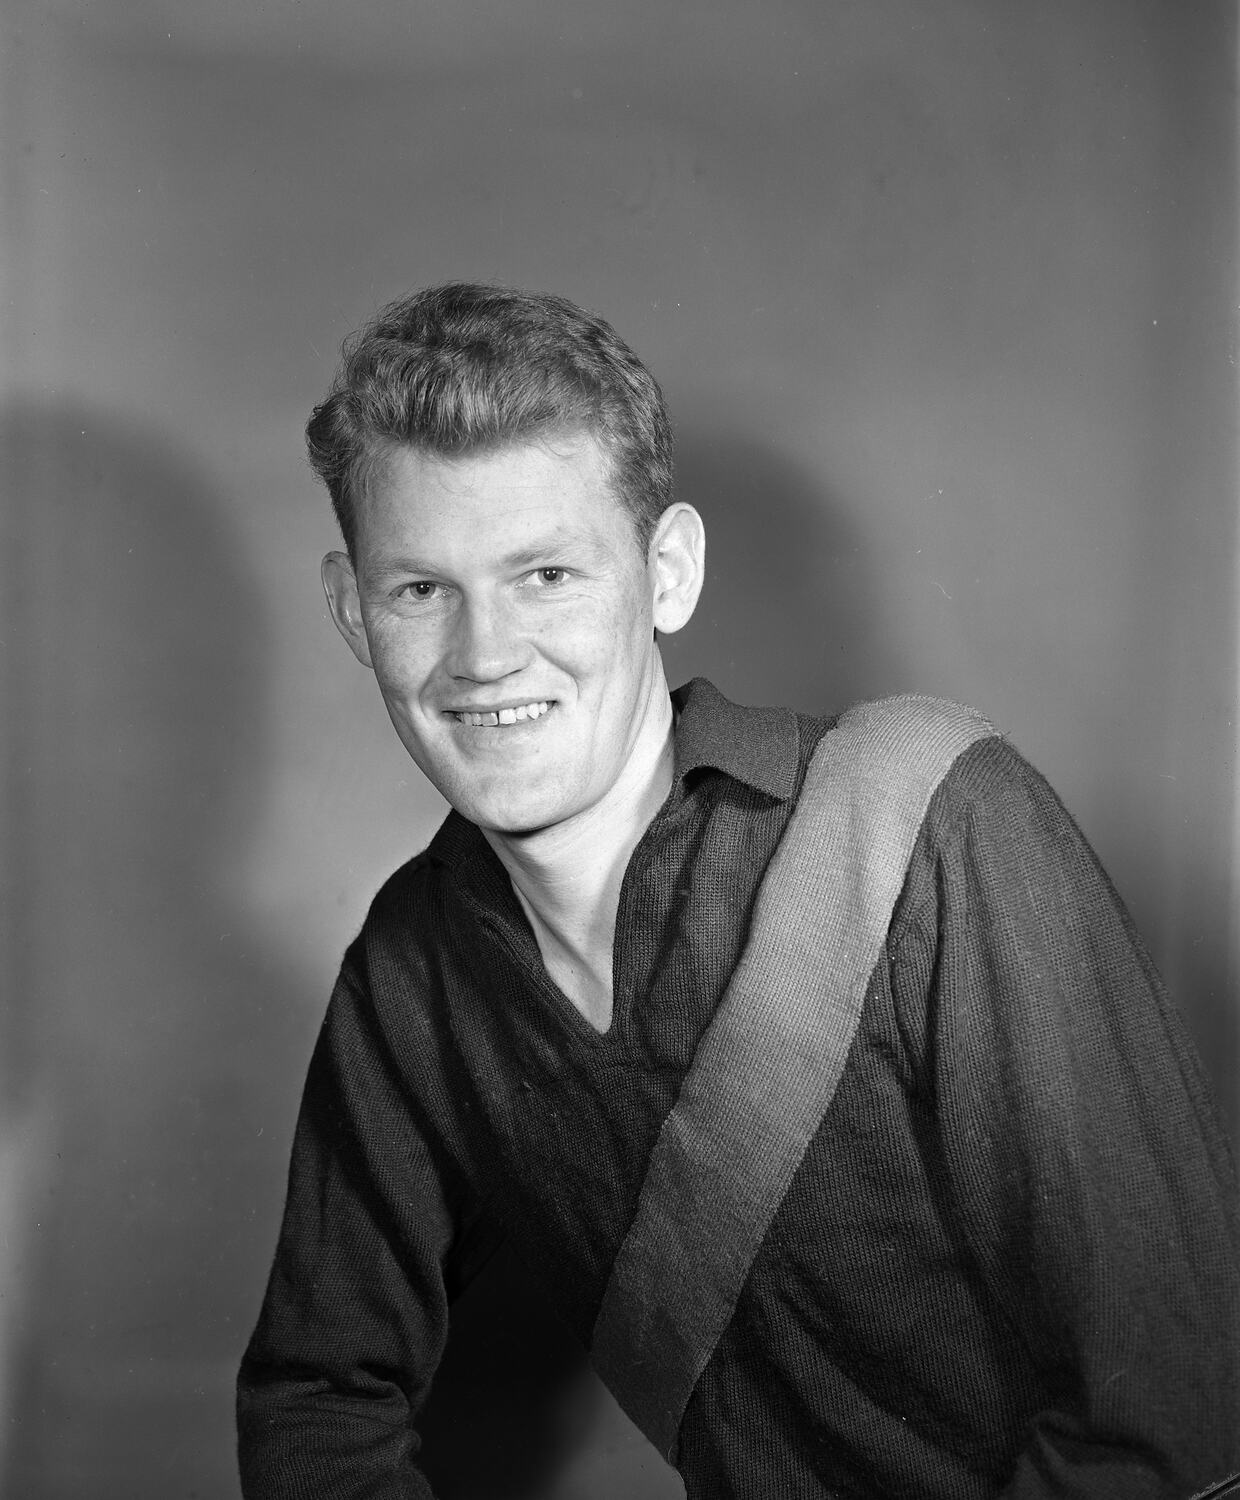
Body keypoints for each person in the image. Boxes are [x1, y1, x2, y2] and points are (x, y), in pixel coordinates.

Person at [237, 282, 1240, 1499]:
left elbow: (1172, 1413)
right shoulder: (413, 965)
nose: (484, 655)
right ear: (353, 613)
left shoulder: (931, 818)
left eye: (545, 573)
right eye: (419, 591)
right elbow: (315, 1400)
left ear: (667, 573)